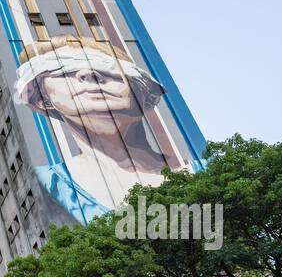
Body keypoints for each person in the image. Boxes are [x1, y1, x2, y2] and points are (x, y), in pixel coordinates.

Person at [13, 34, 171, 223]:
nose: (88, 73)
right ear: (43, 100)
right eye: (63, 70)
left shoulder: (200, 171)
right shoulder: (45, 184)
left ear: (141, 89)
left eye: (107, 67)